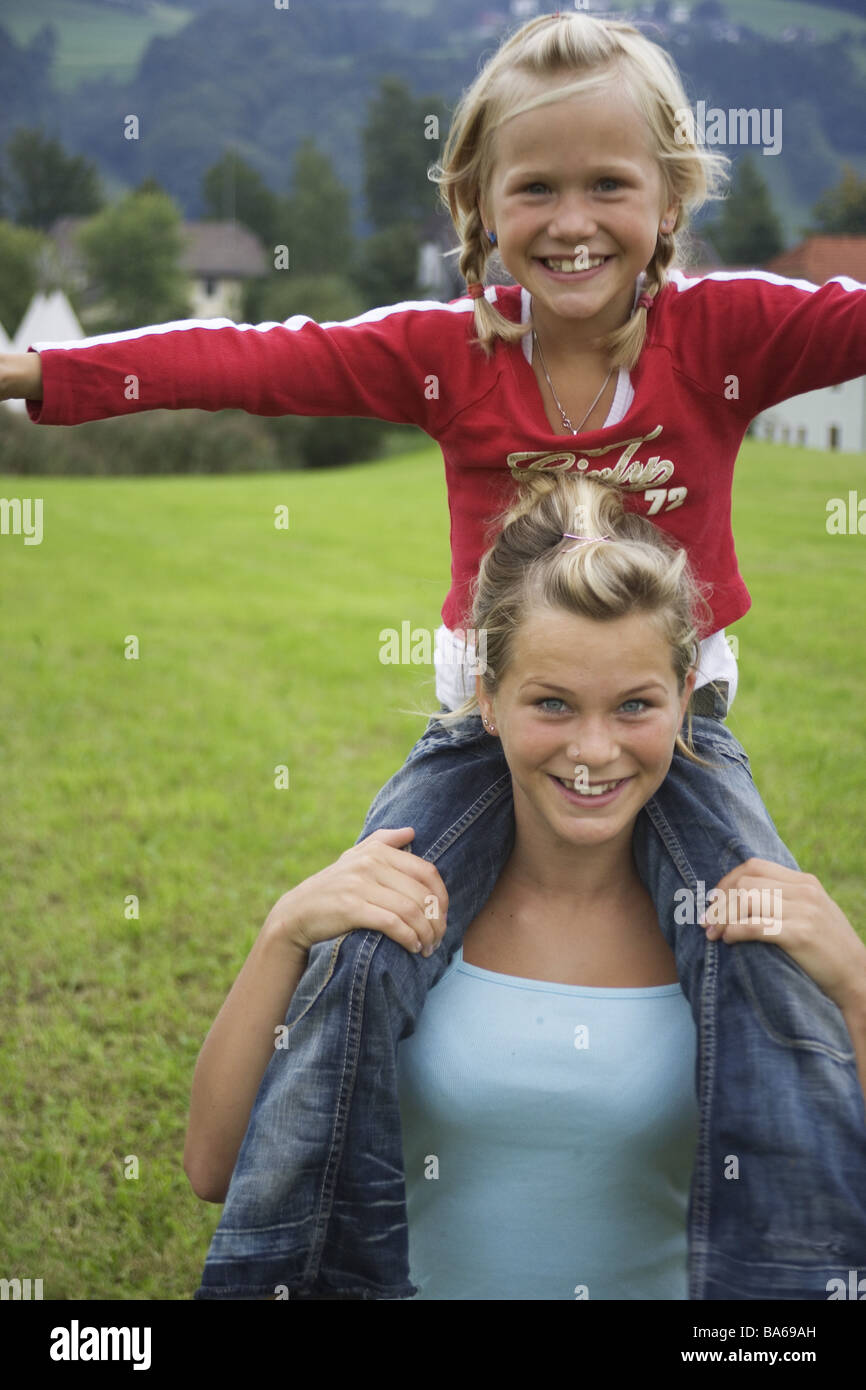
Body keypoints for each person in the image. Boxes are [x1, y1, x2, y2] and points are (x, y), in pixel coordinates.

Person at [3, 10, 866, 1297]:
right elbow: (246, 361)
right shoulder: (441, 356)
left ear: (669, 196)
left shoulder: (727, 337)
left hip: (669, 730)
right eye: (535, 187)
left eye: (608, 185)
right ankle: (305, 1270)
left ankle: (788, 1300)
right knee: (359, 946)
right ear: (476, 204)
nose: (571, 219)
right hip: (482, 734)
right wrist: (31, 373)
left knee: (773, 969)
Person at [183, 473, 866, 1300]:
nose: (592, 748)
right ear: (488, 701)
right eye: (552, 703)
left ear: (687, 700)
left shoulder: (743, 924)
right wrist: (283, 932)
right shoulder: (397, 904)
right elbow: (216, 1167)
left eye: (634, 706)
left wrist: (857, 989)